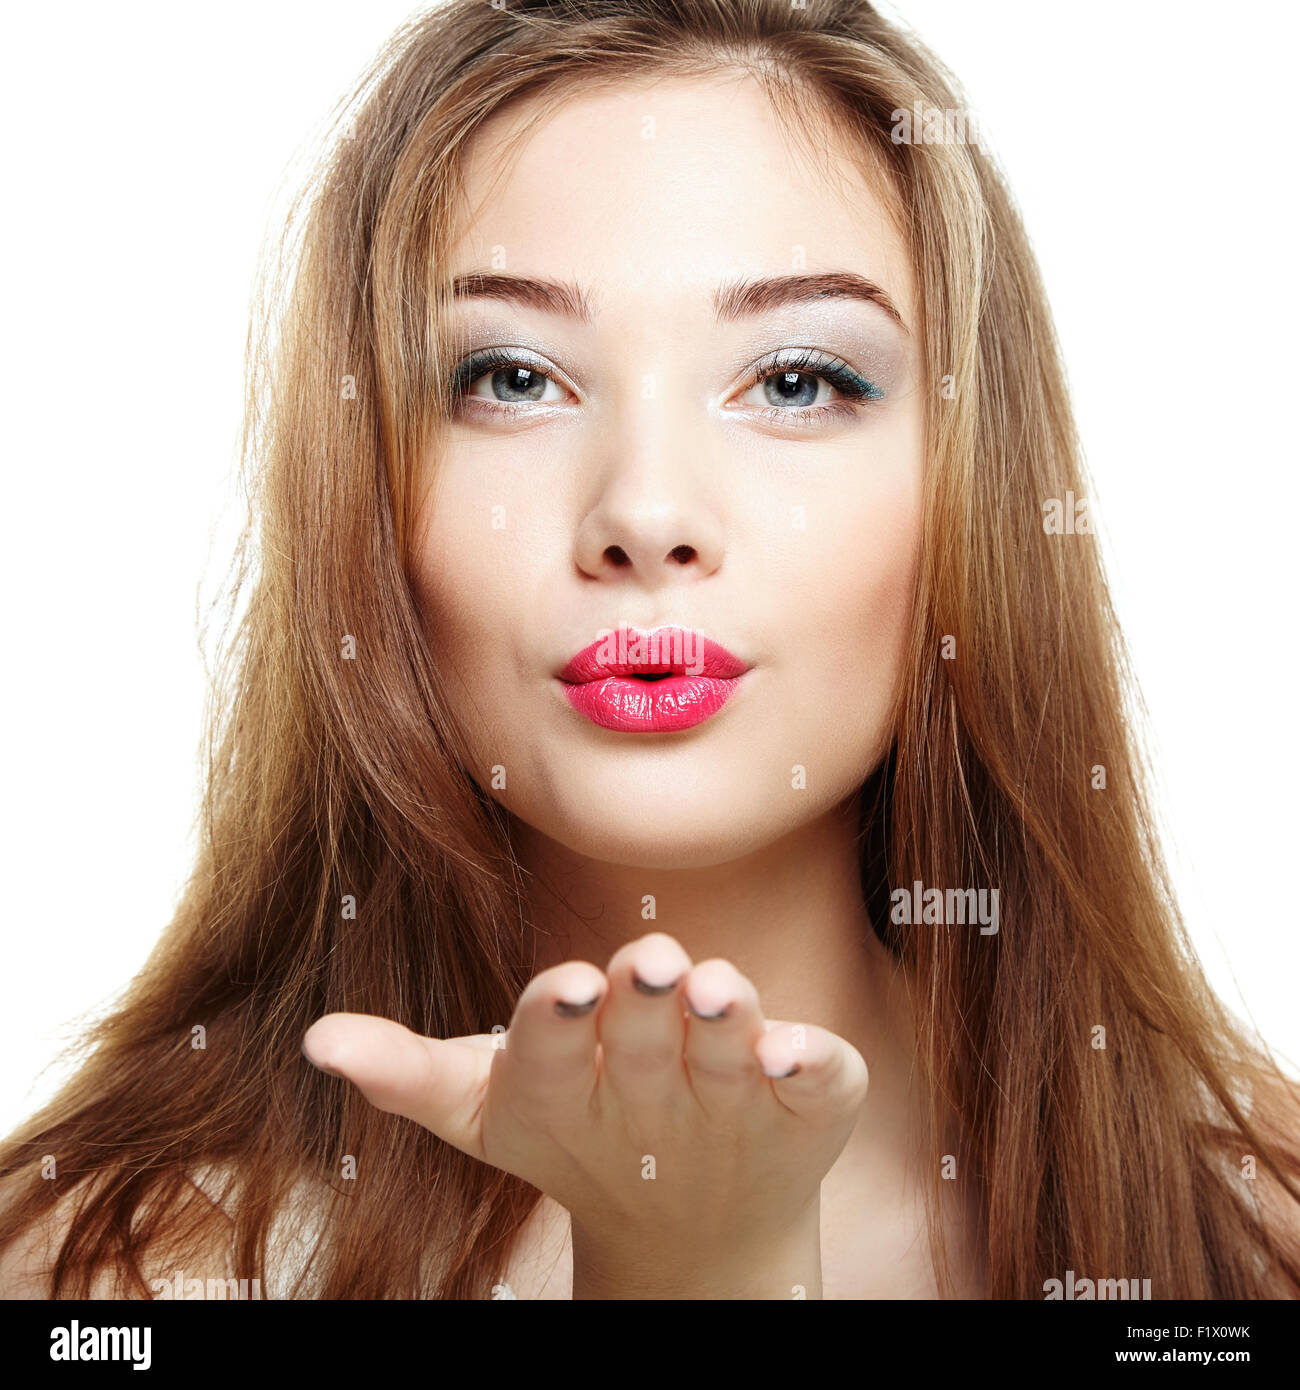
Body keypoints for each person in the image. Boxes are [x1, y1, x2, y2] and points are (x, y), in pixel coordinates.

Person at [3, 0, 1297, 1300]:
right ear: (366, 495)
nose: (647, 515)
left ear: (973, 488)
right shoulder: (96, 1275)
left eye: (796, 381)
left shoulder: (1253, 1241)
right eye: (512, 376)